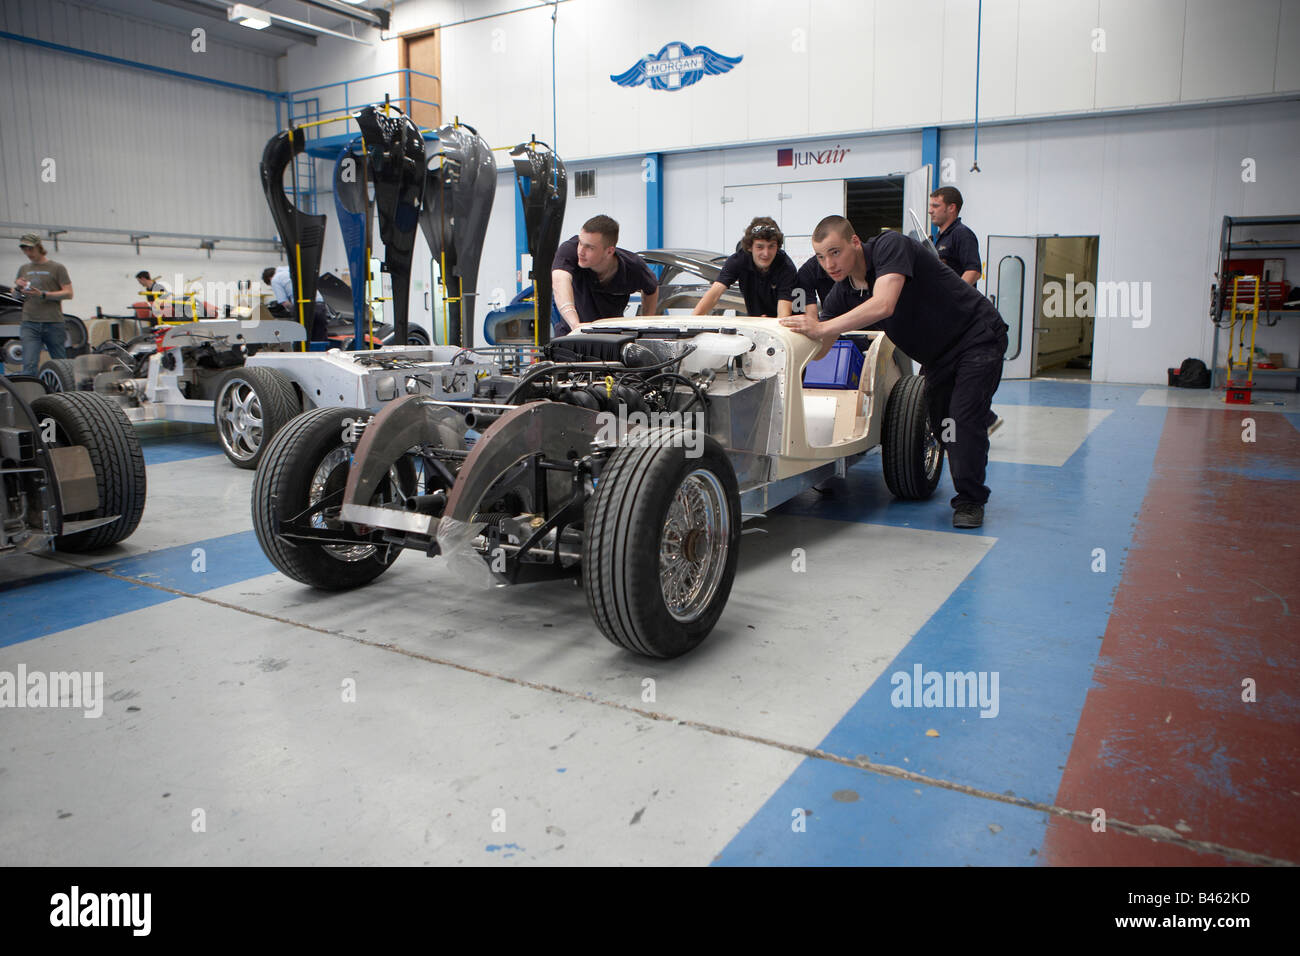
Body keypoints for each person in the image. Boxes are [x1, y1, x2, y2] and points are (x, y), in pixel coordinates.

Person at [780, 215, 1007, 529]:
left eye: (835, 252)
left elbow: (884, 304)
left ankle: (970, 500)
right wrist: (789, 346)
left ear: (855, 242)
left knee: (962, 419)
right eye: (820, 257)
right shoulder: (844, 294)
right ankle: (974, 430)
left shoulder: (891, 246)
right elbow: (822, 344)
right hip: (938, 357)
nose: (829, 264)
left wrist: (821, 325)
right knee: (945, 429)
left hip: (977, 336)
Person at [551, 215, 659, 336]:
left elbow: (651, 289)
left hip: (610, 337)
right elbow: (560, 280)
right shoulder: (569, 250)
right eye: (581, 243)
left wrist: (644, 325)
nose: (581, 251)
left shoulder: (633, 267)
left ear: (609, 251)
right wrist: (575, 324)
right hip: (571, 332)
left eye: (590, 247)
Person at [693, 217, 798, 318]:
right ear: (749, 247)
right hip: (757, 320)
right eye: (760, 247)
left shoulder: (786, 267)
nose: (766, 253)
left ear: (778, 246)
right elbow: (714, 295)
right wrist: (691, 322)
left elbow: (783, 316)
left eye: (771, 246)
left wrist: (768, 325)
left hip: (787, 325)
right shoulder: (738, 260)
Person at [14, 233, 73, 377]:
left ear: (39, 247)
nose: (28, 253)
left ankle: (66, 394)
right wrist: (17, 287)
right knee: (29, 364)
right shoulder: (23, 269)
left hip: (53, 322)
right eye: (25, 250)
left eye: (31, 249)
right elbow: (16, 296)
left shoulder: (57, 268)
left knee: (61, 365)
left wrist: (44, 295)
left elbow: (69, 293)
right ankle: (31, 396)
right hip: (30, 322)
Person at [928, 187, 981, 286]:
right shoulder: (939, 238)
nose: (930, 211)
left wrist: (955, 296)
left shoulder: (962, 234)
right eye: (930, 206)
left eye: (935, 206)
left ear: (951, 208)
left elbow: (973, 271)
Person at [263, 265, 327, 341]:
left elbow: (284, 302)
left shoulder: (275, 279)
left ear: (269, 278)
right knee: (320, 337)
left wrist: (292, 309)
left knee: (303, 338)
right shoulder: (292, 270)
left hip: (303, 307)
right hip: (320, 304)